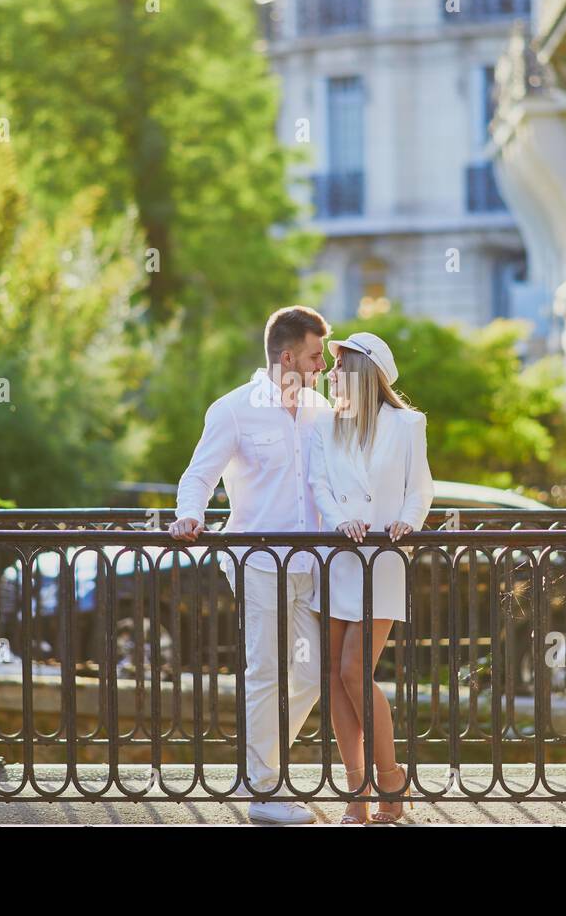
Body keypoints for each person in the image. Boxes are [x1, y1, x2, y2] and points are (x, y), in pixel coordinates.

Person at [169, 305, 331, 824]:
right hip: (258, 561)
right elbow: (198, 477)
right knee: (265, 669)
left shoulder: (320, 409)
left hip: (315, 561)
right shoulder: (234, 409)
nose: (322, 365)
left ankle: (255, 765)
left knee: (311, 672)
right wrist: (190, 517)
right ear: (288, 356)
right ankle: (264, 792)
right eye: (314, 355)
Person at [307, 331, 434, 824]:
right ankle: (356, 792)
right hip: (338, 557)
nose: (331, 374)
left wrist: (409, 520)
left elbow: (419, 486)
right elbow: (319, 482)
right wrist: (339, 518)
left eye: (339, 366)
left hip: (382, 560)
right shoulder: (327, 424)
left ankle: (391, 777)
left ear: (363, 372)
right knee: (335, 681)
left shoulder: (408, 424)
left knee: (354, 672)